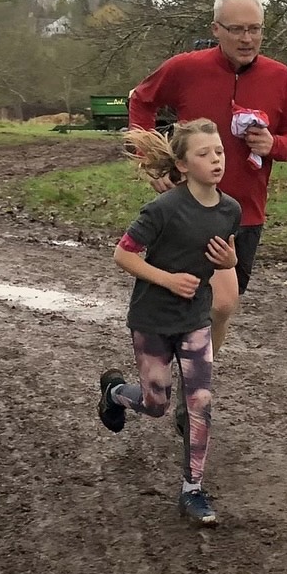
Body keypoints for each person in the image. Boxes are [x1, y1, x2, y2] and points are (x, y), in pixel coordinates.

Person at [129, 0, 287, 358]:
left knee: (222, 306)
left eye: (255, 29)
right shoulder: (186, 68)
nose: (247, 39)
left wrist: (274, 145)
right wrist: (150, 160)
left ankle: (193, 374)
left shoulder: (279, 77)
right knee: (184, 300)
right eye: (237, 29)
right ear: (216, 29)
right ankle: (177, 374)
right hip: (186, 209)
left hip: (243, 214)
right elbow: (141, 100)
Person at [97, 119, 241, 526]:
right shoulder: (162, 209)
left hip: (195, 318)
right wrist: (168, 280)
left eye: (219, 152)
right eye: (204, 154)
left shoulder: (230, 210)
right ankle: (115, 393)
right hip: (153, 319)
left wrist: (230, 261)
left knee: (199, 404)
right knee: (156, 404)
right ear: (182, 164)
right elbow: (123, 255)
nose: (216, 160)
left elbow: (226, 256)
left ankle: (192, 490)